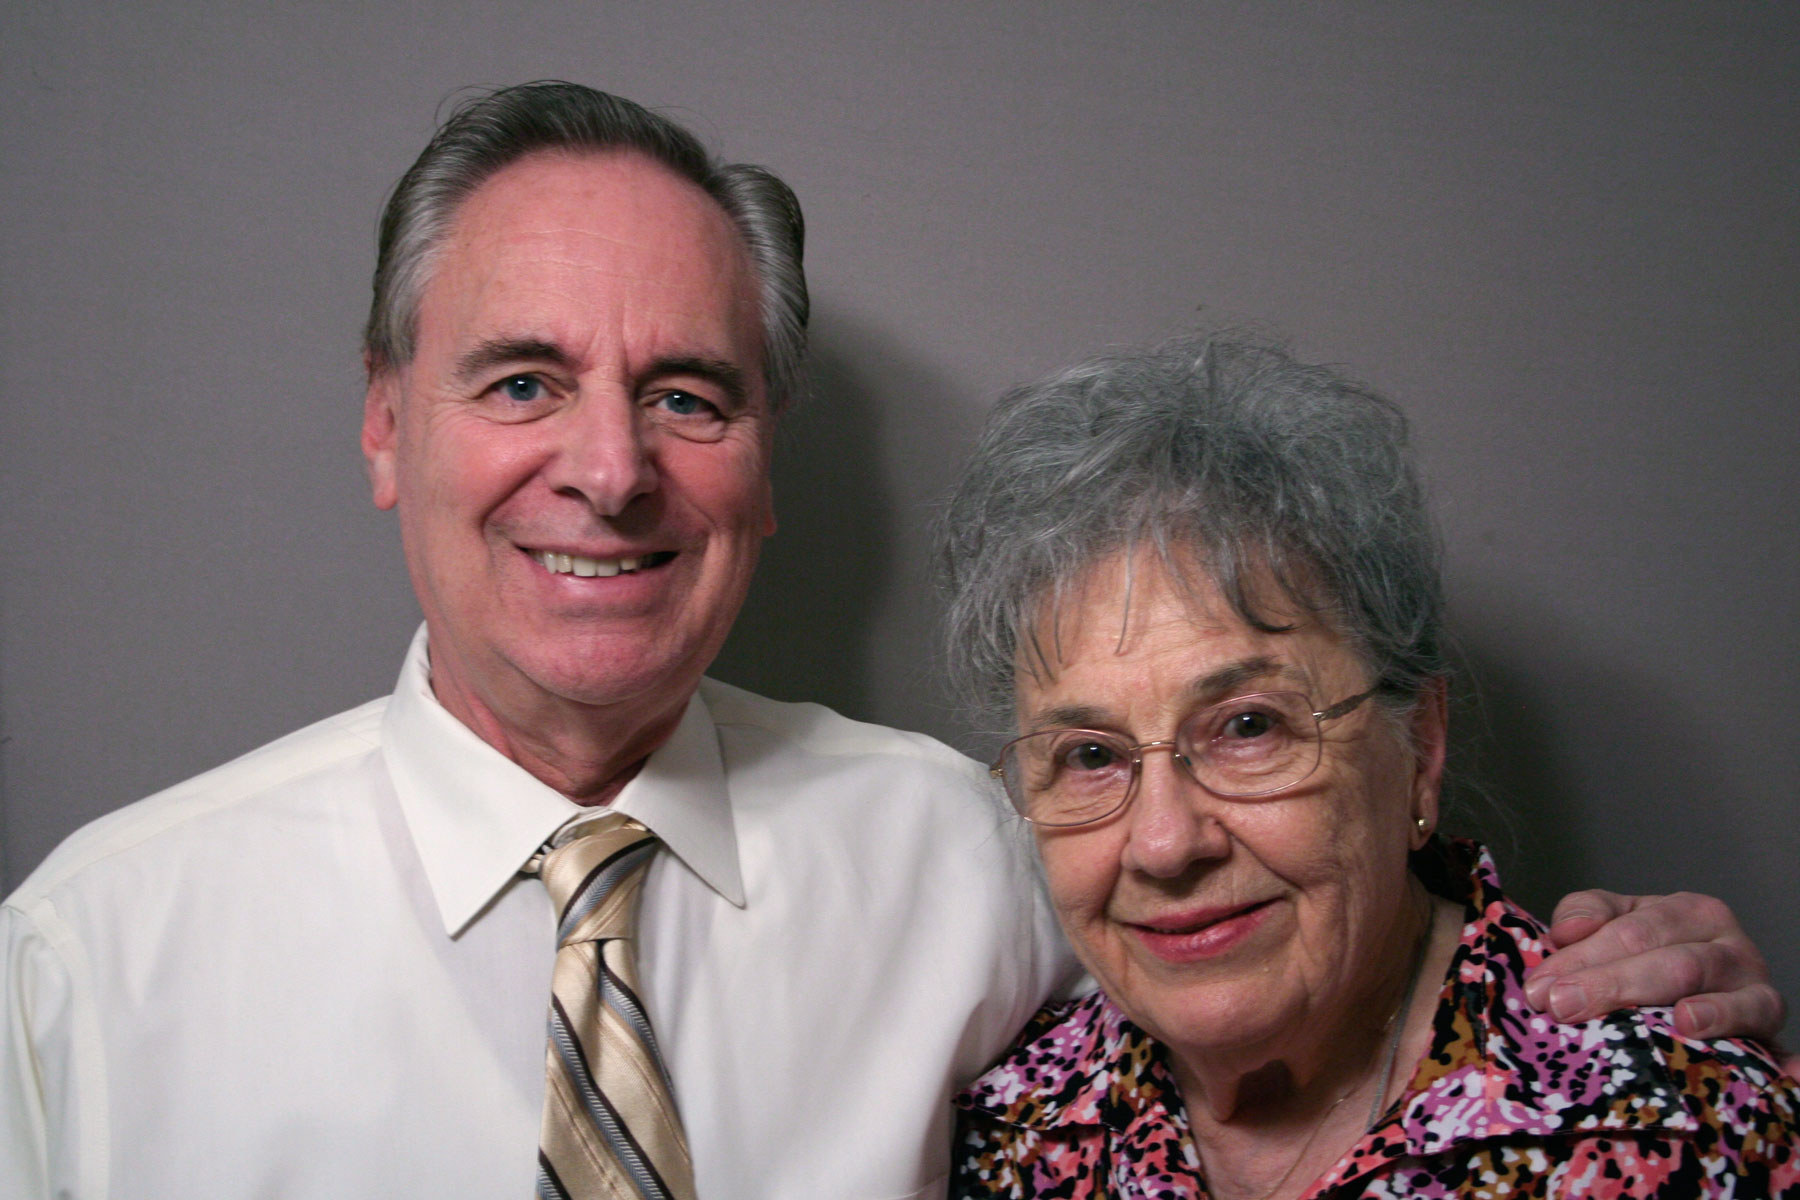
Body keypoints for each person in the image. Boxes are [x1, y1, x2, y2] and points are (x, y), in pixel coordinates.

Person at [0, 84, 1784, 1200]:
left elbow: (1302, 973)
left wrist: (1632, 980)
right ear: (389, 427)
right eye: (522, 380)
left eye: (689, 395)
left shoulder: (971, 853)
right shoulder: (90, 961)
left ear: (765, 467)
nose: (611, 470)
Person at [939, 333, 1799, 1197]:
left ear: (1419, 747)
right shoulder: (1005, 1136)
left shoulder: (1675, 1131)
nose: (1164, 844)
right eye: (1090, 754)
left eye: (1247, 726)